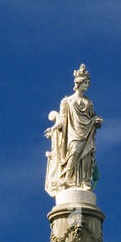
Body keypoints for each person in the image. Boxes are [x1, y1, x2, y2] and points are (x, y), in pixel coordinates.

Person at [44, 64, 102, 195]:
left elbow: (92, 118)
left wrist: (96, 122)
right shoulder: (67, 101)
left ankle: (84, 181)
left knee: (86, 157)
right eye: (86, 83)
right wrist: (53, 129)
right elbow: (62, 120)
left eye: (88, 83)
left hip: (87, 132)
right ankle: (67, 178)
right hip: (73, 134)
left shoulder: (89, 102)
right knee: (74, 152)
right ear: (79, 83)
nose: (87, 85)